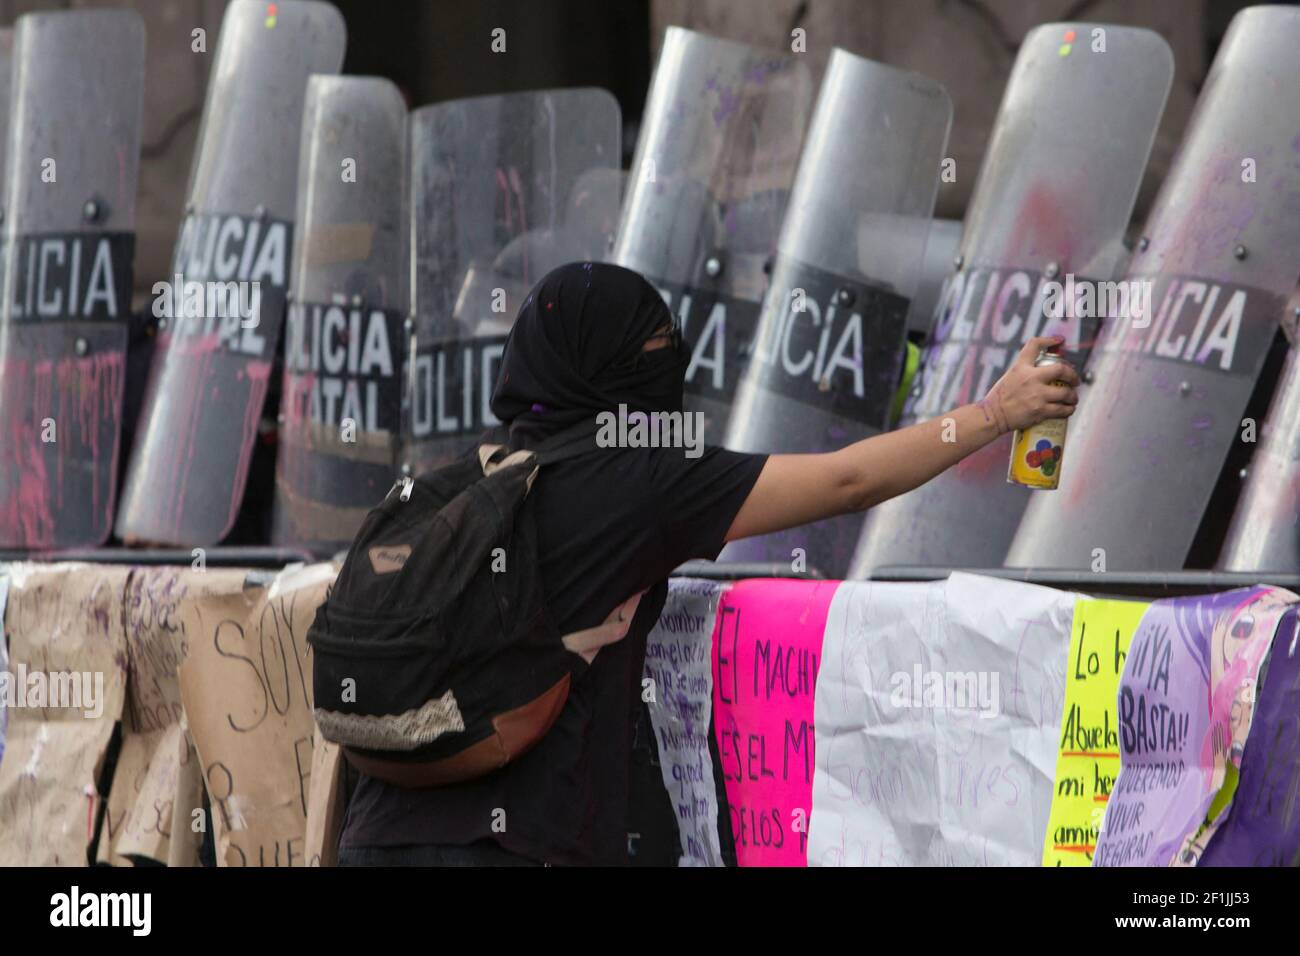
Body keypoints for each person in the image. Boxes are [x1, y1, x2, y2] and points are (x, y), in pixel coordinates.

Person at [336, 261, 1079, 866]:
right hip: (516, 846)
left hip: (373, 838)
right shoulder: (640, 477)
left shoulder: (453, 482)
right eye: (651, 348)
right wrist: (997, 413)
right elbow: (848, 480)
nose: (667, 366)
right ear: (613, 366)